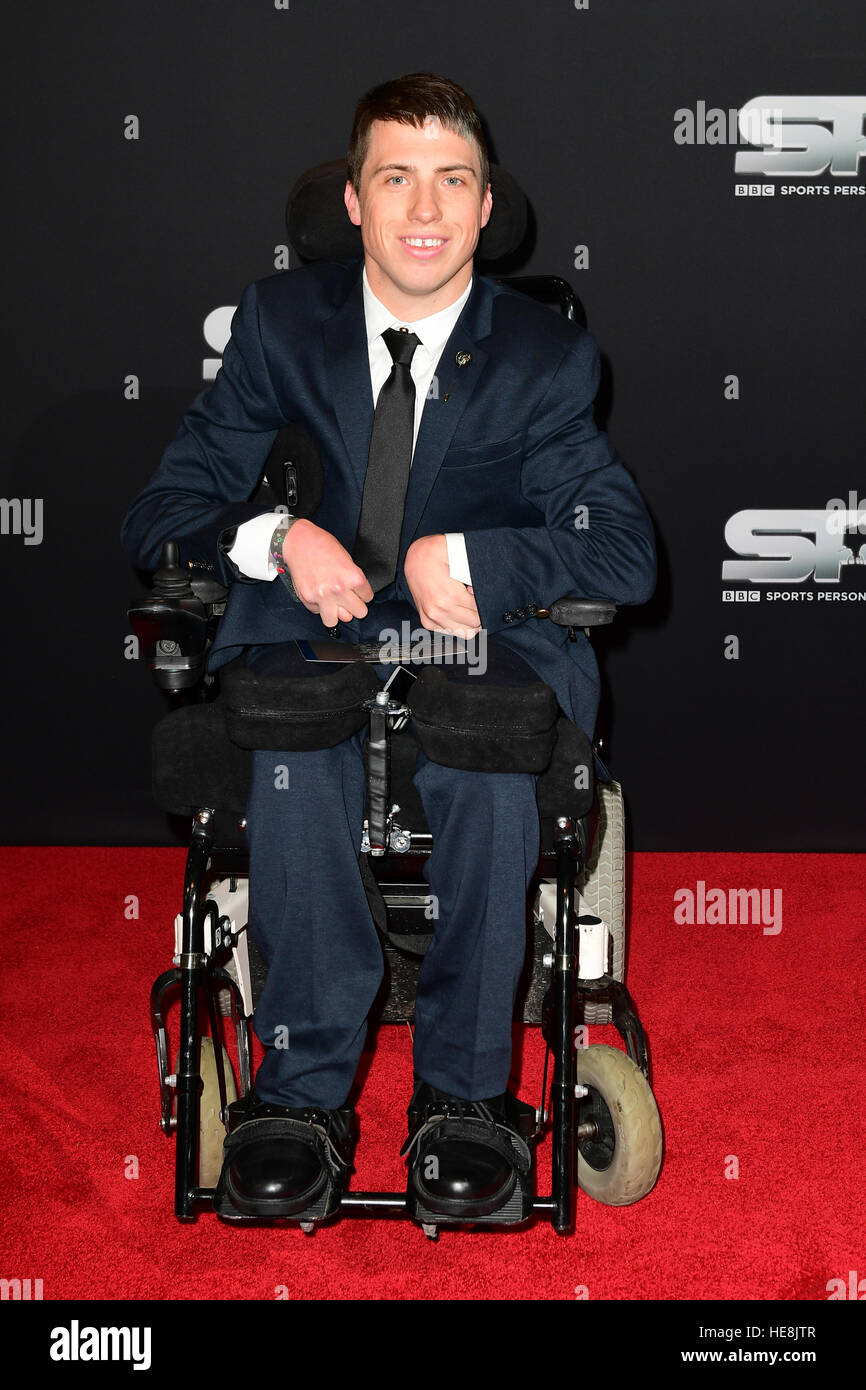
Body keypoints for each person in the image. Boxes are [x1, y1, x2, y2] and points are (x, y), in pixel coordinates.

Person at [121, 72, 656, 1224]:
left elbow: (622, 555)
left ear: (483, 206)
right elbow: (161, 509)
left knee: (487, 758)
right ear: (353, 202)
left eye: (451, 181)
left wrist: (472, 559)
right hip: (311, 640)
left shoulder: (542, 355)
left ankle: (464, 1095)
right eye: (395, 178)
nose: (425, 208)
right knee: (293, 747)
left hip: (481, 643)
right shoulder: (280, 325)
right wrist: (273, 537)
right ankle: (299, 1095)